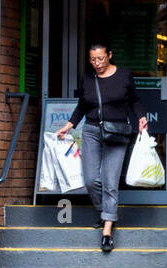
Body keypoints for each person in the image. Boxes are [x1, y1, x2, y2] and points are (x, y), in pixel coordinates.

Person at [55, 42, 147, 253]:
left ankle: (107, 231)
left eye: (101, 59)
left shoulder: (124, 75)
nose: (97, 63)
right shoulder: (88, 77)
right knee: (90, 179)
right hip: (91, 131)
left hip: (117, 133)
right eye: (93, 60)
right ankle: (106, 210)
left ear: (110, 55)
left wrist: (141, 117)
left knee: (110, 181)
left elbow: (134, 100)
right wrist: (69, 126)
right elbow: (82, 105)